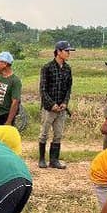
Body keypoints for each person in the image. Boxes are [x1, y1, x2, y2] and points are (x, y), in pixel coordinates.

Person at [38, 41, 74, 169]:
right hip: (49, 108)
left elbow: (69, 88)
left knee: (58, 134)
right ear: (58, 51)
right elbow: (42, 89)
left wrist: (65, 103)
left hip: (61, 108)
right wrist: (51, 104)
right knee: (44, 133)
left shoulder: (67, 69)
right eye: (67, 51)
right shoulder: (47, 68)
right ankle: (42, 159)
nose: (69, 53)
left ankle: (54, 160)